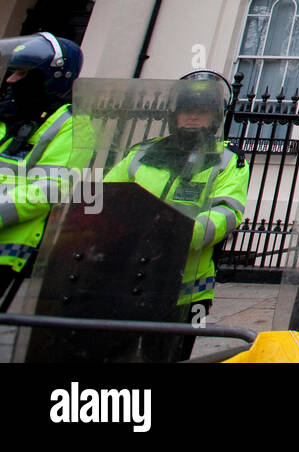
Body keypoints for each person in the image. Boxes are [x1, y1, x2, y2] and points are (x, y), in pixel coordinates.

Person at [100, 71, 248, 361]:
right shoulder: (141, 154)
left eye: (201, 111)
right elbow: (108, 198)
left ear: (215, 116)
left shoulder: (228, 160)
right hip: (126, 276)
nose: (192, 117)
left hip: (188, 290)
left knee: (172, 356)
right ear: (174, 114)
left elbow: (227, 212)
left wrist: (178, 235)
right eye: (186, 110)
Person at [0, 33, 90, 312]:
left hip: (8, 249)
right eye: (12, 72)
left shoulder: (73, 125)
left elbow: (51, 188)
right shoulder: (7, 115)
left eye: (23, 73)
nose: (11, 80)